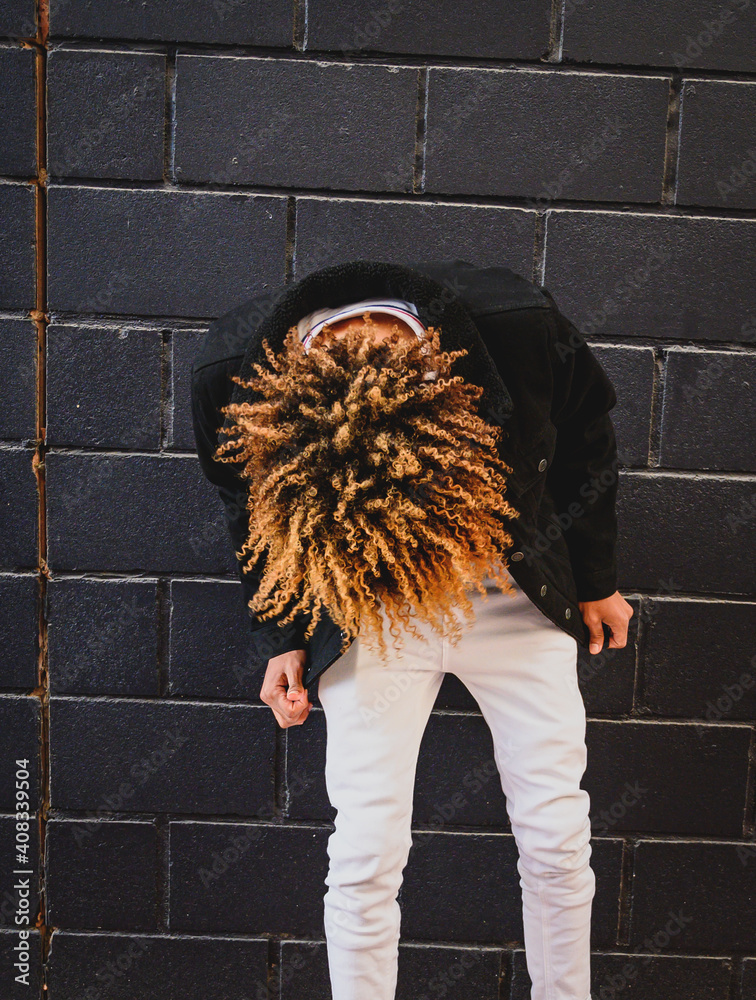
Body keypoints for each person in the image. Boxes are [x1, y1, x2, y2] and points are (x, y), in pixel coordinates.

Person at [190, 258, 634, 1000]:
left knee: (558, 838)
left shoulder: (517, 328)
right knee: (365, 850)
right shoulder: (234, 375)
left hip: (512, 596)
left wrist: (597, 579)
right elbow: (250, 508)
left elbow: (586, 433)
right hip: (370, 609)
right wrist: (283, 635)